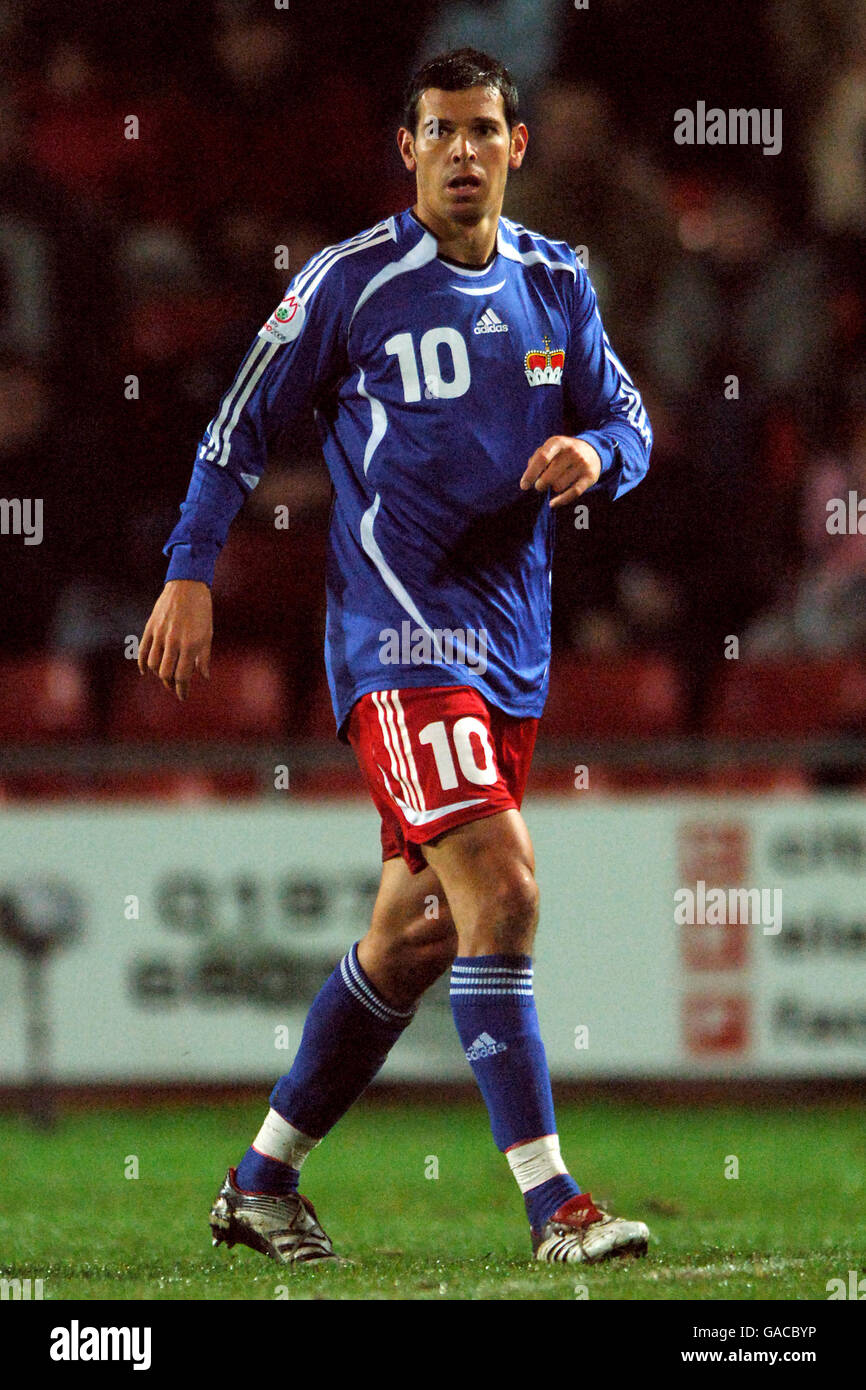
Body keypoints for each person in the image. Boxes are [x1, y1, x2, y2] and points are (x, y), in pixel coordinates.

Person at [138, 48, 653, 1267]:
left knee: (416, 933)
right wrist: (188, 567)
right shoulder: (349, 282)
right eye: (440, 132)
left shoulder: (557, 283)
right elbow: (235, 424)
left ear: (516, 147)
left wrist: (593, 456)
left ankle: (260, 1181)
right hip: (398, 639)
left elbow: (628, 419)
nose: (464, 152)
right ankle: (554, 1205)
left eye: (484, 130)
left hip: (508, 647)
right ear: (407, 149)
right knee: (505, 889)